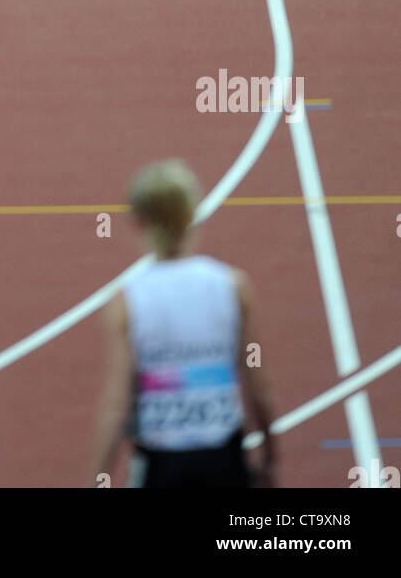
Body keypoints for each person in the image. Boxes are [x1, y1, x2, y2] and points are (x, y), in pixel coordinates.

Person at [93, 159, 276, 488]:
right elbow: (256, 383)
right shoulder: (232, 286)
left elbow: (117, 405)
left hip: (162, 461)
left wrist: (99, 476)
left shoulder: (127, 300)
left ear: (139, 221)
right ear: (193, 213)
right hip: (223, 456)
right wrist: (270, 455)